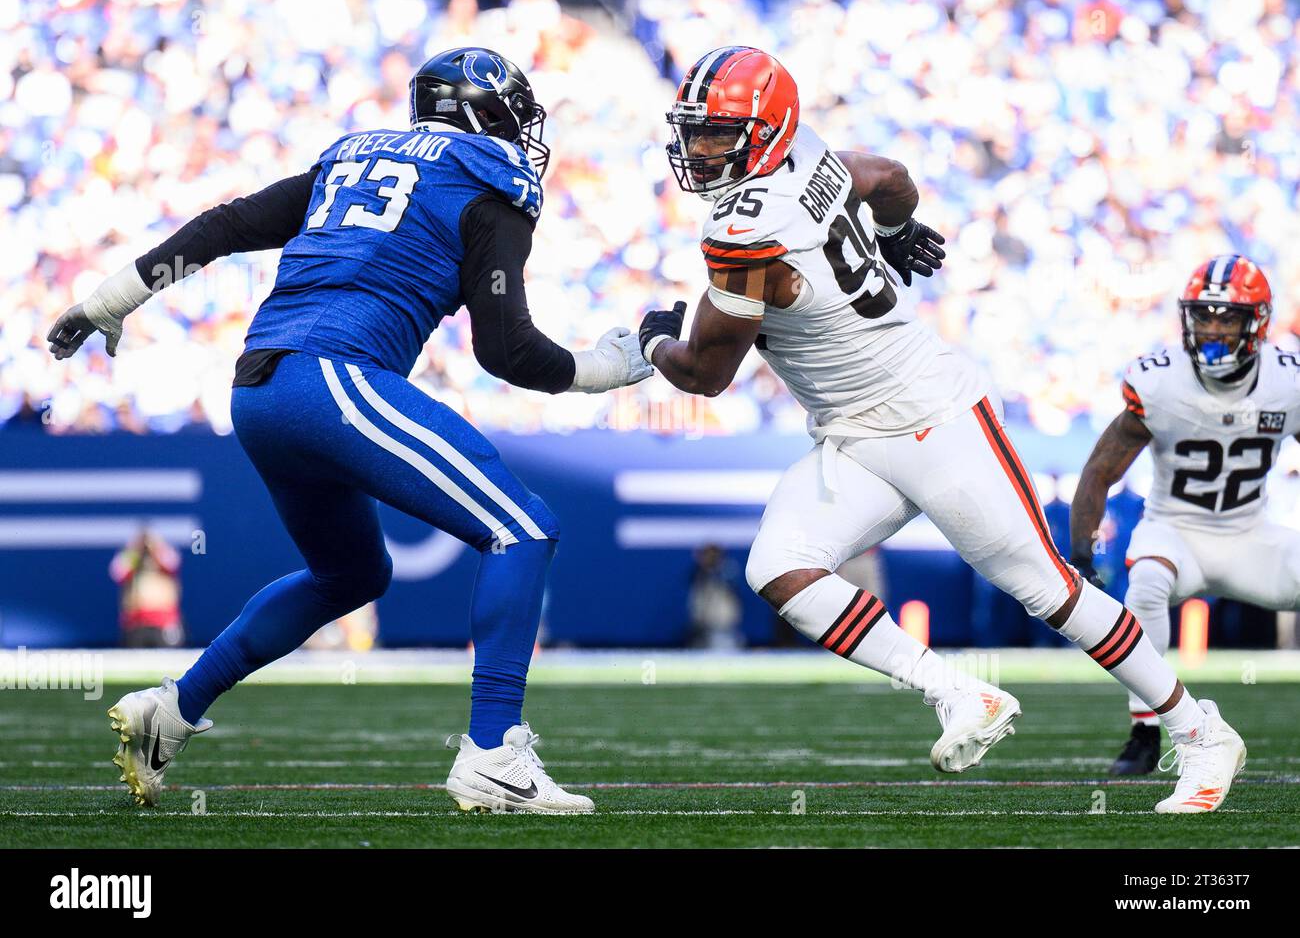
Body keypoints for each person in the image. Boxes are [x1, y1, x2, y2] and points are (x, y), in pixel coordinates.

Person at [637, 45, 1245, 813]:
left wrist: (654, 339)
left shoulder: (744, 231)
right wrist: (896, 231)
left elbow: (704, 374)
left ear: (766, 130)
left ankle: (1199, 730)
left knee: (1047, 591)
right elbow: (888, 179)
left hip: (931, 416)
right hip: (853, 434)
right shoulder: (808, 155)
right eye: (693, 131)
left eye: (717, 132)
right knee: (782, 568)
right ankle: (960, 694)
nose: (698, 149)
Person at [48, 47, 651, 814]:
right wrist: (611, 366)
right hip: (331, 377)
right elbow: (508, 352)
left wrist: (111, 299)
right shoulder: (489, 185)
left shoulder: (354, 158)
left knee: (352, 577)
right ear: (486, 114)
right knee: (525, 528)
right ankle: (495, 754)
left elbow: (226, 225)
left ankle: (171, 709)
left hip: (260, 389)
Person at [1071, 255, 1291, 779]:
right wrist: (1081, 552)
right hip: (1176, 530)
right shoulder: (1161, 381)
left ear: (1256, 322)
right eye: (1204, 316)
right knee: (1145, 581)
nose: (1212, 328)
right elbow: (1101, 470)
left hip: (1251, 533)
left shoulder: (1287, 382)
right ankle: (1146, 730)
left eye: (1227, 317)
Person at [111, 526, 184, 648]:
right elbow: (117, 572)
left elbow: (173, 564)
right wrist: (134, 550)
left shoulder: (164, 555)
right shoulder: (132, 558)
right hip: (136, 624)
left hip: (164, 622)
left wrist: (156, 547)